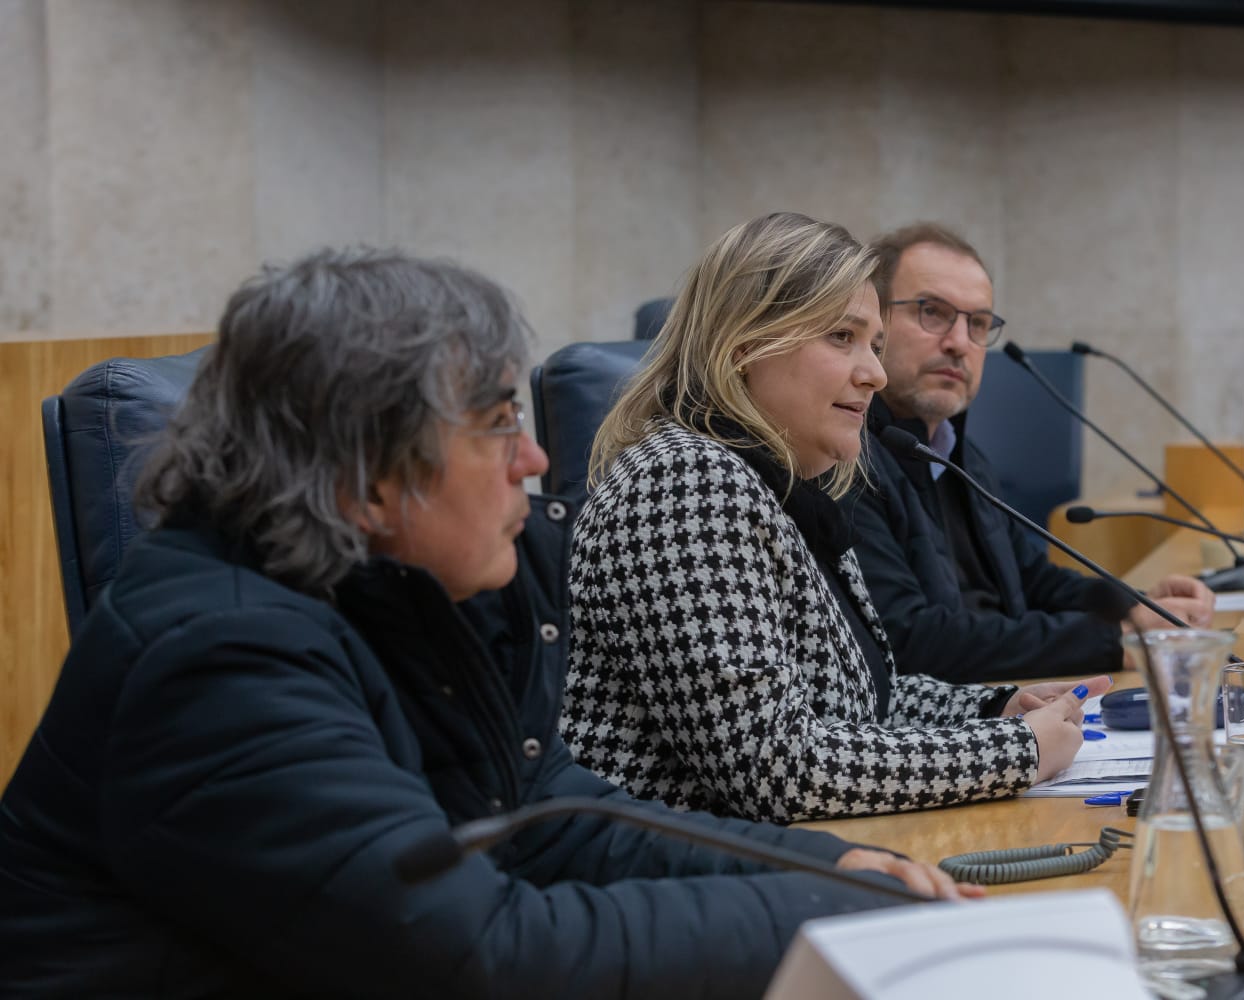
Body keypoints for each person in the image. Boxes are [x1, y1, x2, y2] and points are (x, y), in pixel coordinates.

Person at [0, 249, 972, 999]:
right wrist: (820, 912)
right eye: (500, 421)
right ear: (369, 467)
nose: (537, 459)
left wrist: (824, 864)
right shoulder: (220, 661)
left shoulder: (391, 592)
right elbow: (480, 954)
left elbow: (544, 819)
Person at [562, 213, 1110, 825]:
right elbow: (775, 767)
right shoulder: (684, 483)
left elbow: (860, 702)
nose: (875, 373)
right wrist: (1015, 749)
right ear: (744, 347)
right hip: (686, 858)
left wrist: (998, 709)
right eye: (841, 337)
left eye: (874, 344)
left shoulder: (791, 482)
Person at [847, 222, 1215, 685]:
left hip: (1008, 695)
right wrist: (1108, 640)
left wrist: (1134, 606)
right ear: (875, 323)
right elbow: (911, 639)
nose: (959, 342)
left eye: (977, 324)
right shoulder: (846, 463)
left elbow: (1032, 580)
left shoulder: (960, 454)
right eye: (933, 312)